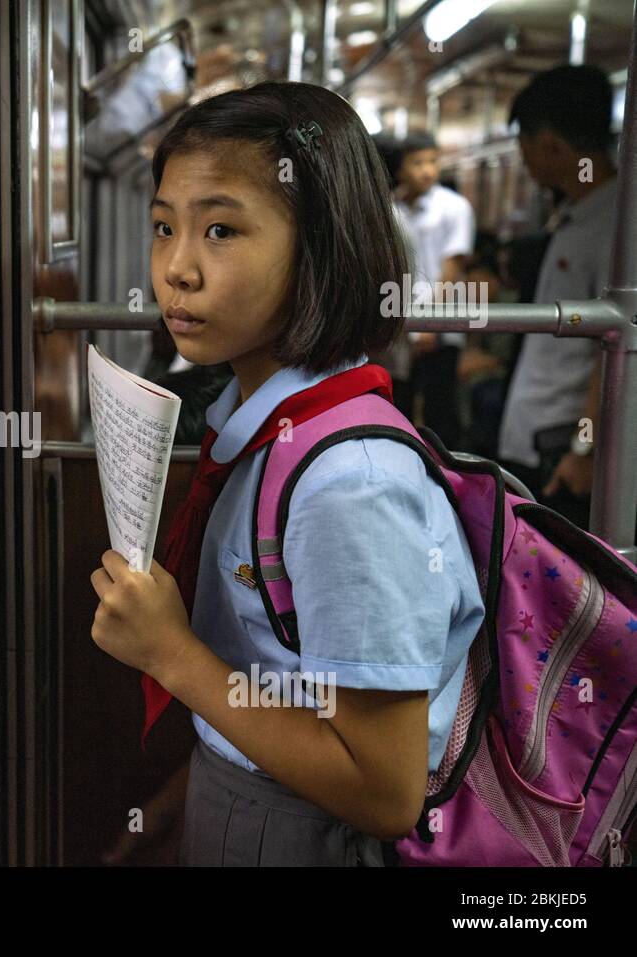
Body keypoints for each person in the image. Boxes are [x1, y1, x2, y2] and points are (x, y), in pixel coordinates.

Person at [86, 82, 484, 866]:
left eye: (222, 230)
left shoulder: (349, 484)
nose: (177, 269)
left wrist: (172, 654)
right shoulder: (268, 427)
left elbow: (382, 787)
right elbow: (273, 675)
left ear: (322, 248)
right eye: (164, 227)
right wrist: (195, 790)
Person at [496, 65, 618, 530]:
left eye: (524, 145)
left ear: (550, 143)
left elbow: (614, 347)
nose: (524, 160)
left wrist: (584, 451)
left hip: (563, 457)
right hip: (535, 439)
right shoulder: (574, 215)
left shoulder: (615, 229)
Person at [392, 131, 477, 450]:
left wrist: (429, 324)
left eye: (432, 161)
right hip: (401, 324)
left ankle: (449, 477)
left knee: (439, 406)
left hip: (439, 324)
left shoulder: (454, 207)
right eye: (417, 163)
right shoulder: (391, 208)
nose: (427, 169)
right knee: (399, 403)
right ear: (400, 169)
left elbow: (451, 268)